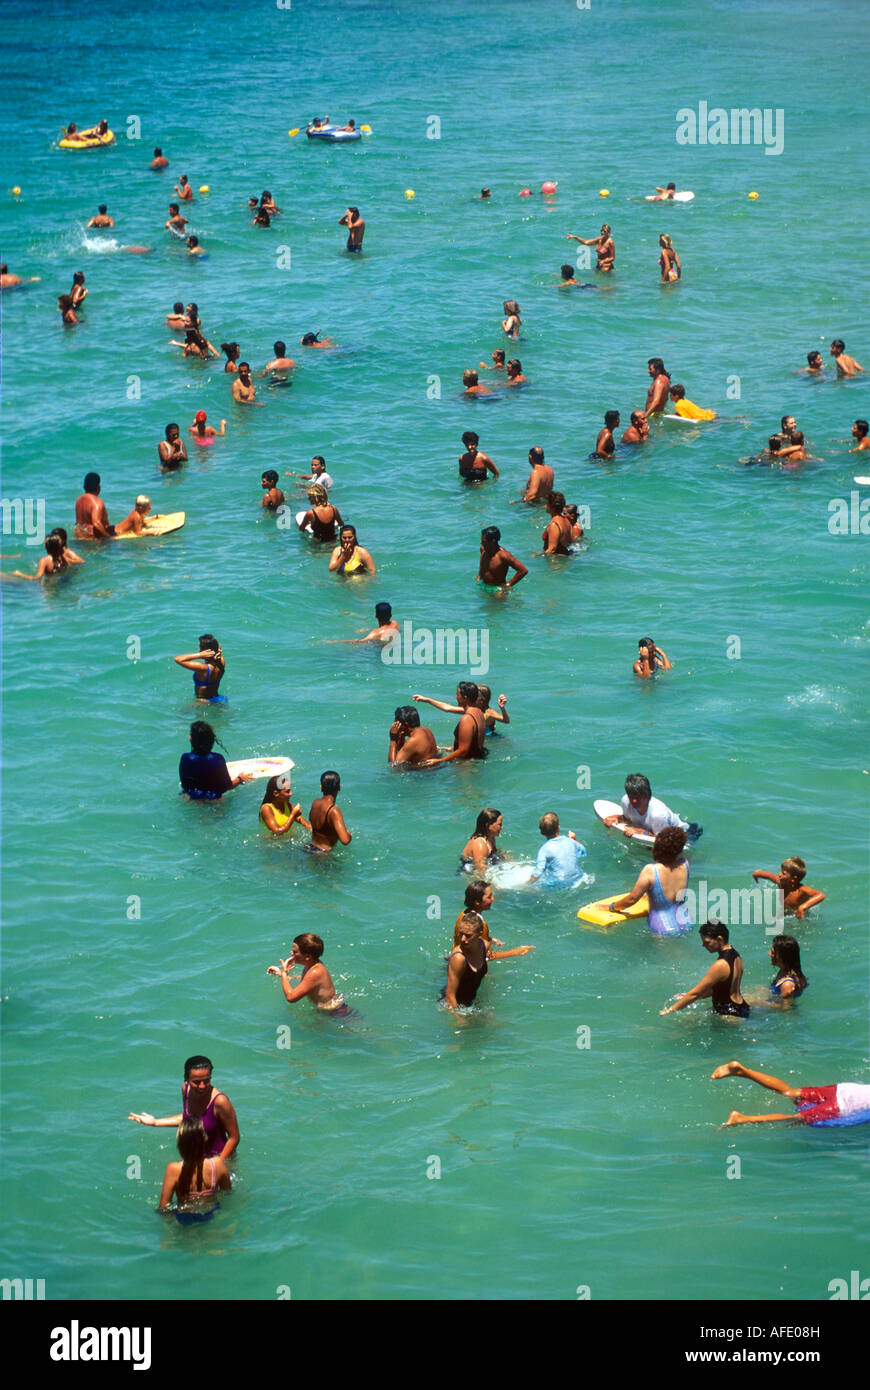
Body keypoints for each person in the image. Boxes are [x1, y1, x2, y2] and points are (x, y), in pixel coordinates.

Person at [128, 1054, 240, 1159]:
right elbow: (190, 1119)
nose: (202, 1086)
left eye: (206, 1081)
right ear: (187, 1079)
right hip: (196, 1156)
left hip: (221, 1158)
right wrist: (156, 1122)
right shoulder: (185, 1089)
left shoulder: (220, 1101)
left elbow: (234, 1138)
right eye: (196, 1082)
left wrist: (217, 1164)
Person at [711, 1061, 870, 1128]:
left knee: (790, 1092)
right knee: (796, 1118)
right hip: (844, 1105)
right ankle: (742, 1119)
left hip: (847, 1089)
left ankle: (742, 1071)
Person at [609, 826, 691, 935]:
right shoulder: (685, 863)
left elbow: (632, 899)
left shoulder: (651, 870)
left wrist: (612, 907)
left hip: (663, 926)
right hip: (686, 920)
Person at [660, 920, 749, 1017]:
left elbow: (695, 994)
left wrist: (670, 1010)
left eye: (707, 942)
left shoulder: (720, 965)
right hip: (741, 1007)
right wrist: (685, 996)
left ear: (719, 939)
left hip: (728, 1015)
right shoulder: (736, 956)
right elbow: (719, 989)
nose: (703, 945)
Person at [158, 1117, 231, 1213]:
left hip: (184, 1219)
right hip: (210, 1214)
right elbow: (228, 1194)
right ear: (204, 1141)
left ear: (180, 1145)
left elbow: (163, 1209)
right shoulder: (218, 1165)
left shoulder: (173, 1169)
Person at [605, 772, 701, 840]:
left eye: (638, 797)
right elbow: (629, 819)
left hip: (684, 833)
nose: (634, 800)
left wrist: (643, 832)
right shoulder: (626, 801)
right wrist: (617, 818)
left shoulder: (658, 814)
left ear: (647, 796)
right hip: (659, 827)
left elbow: (665, 840)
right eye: (631, 796)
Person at [268, 934, 350, 1013]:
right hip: (333, 1010)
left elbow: (291, 997)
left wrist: (284, 974)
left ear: (307, 957)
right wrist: (283, 975)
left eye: (295, 951)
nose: (291, 953)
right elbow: (306, 982)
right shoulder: (312, 965)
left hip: (337, 1013)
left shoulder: (315, 972)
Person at [178, 721, 251, 798]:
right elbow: (227, 787)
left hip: (189, 799)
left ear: (191, 739)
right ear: (211, 740)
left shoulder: (185, 758)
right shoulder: (217, 759)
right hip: (214, 801)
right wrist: (240, 779)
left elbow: (185, 786)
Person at [423, 682, 487, 766]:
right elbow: (471, 743)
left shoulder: (467, 718)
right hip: (476, 759)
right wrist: (447, 748)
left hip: (466, 765)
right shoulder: (479, 712)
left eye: (457, 694)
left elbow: (463, 751)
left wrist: (440, 760)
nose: (456, 697)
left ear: (465, 698)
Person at [751, 856, 825, 919]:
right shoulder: (780, 882)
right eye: (781, 871)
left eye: (783, 873)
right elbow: (769, 876)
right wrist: (757, 873)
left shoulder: (801, 889)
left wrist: (802, 907)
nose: (779, 874)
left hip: (800, 916)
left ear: (794, 879)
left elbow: (821, 895)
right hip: (785, 913)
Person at [415, 685, 509, 734]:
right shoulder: (471, 710)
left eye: (475, 696)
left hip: (492, 740)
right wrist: (427, 699)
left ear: (481, 700)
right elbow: (447, 708)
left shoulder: (489, 713)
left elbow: (506, 721)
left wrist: (502, 708)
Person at [443, 913, 489, 1011]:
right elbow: (449, 998)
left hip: (470, 1004)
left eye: (468, 935)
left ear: (479, 934)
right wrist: (459, 1019)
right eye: (461, 934)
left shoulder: (484, 946)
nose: (463, 939)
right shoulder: (459, 958)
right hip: (453, 1006)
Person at [529, 813, 586, 886]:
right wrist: (573, 839)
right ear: (558, 828)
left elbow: (538, 872)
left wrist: (527, 884)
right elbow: (583, 851)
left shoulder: (544, 850)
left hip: (559, 883)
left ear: (542, 832)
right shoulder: (570, 841)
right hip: (578, 878)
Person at [307, 771, 352, 852]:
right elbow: (345, 840)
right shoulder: (333, 810)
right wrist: (348, 834)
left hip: (309, 847)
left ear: (321, 787)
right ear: (339, 787)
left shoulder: (315, 803)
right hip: (323, 855)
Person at [174, 635, 225, 702]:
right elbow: (216, 645)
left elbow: (177, 659)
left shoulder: (203, 668)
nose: (199, 649)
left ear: (205, 652)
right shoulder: (221, 662)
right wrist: (218, 652)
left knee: (181, 712)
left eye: (200, 647)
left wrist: (199, 655)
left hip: (203, 702)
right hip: (217, 698)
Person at [478, 526, 528, 591]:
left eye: (484, 541)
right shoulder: (483, 549)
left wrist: (507, 585)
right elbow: (482, 565)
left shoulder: (504, 555)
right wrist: (479, 576)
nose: (481, 543)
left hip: (497, 589)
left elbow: (523, 570)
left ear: (493, 541)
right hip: (484, 586)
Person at [460, 808, 504, 873]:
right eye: (499, 824)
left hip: (486, 862)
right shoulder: (480, 845)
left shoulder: (490, 837)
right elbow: (480, 873)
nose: (502, 827)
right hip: (469, 870)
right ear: (488, 825)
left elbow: (495, 852)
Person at [768, 935, 808, 1000]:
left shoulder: (787, 985)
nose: (769, 954)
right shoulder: (785, 970)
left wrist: (759, 1004)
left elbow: (785, 1009)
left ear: (783, 957)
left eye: (773, 953)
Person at [74, 472, 113, 538]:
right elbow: (97, 524)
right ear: (98, 487)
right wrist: (109, 538)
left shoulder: (79, 500)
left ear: (84, 486)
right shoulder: (97, 502)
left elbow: (79, 524)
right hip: (93, 539)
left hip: (79, 535)